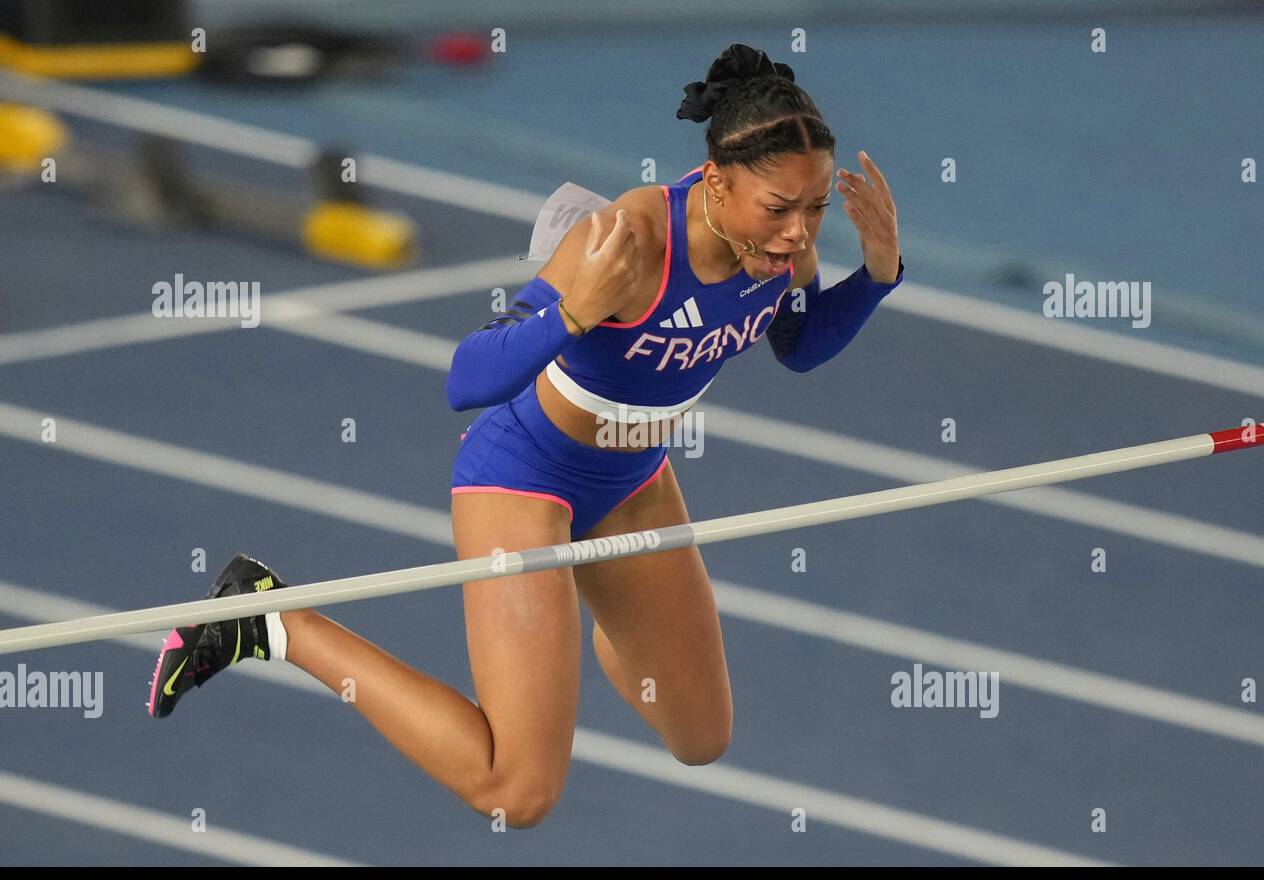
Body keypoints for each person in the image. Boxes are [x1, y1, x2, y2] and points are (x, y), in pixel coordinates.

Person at [146, 43, 904, 829]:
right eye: (779, 208)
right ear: (716, 182)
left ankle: (584, 607)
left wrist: (879, 276)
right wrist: (575, 312)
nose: (797, 233)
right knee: (516, 792)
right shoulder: (629, 243)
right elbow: (465, 378)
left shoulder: (782, 247)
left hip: (634, 485)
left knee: (700, 736)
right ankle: (271, 620)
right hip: (525, 482)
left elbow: (801, 345)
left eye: (813, 209)